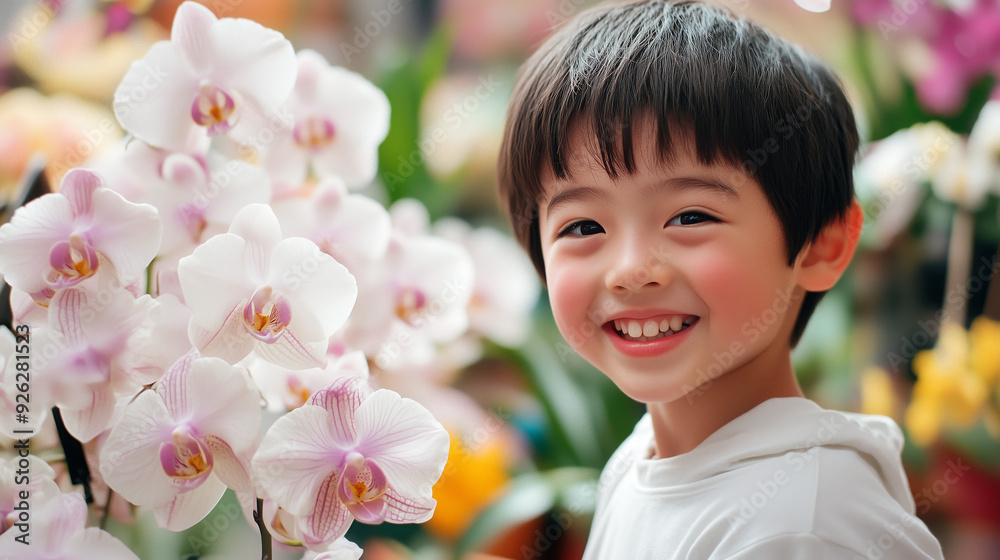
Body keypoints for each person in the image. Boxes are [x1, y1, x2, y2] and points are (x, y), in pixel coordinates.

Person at [496, 1, 945, 558]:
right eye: (584, 225)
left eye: (690, 217)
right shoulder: (639, 463)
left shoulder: (804, 524)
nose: (632, 270)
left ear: (821, 245)